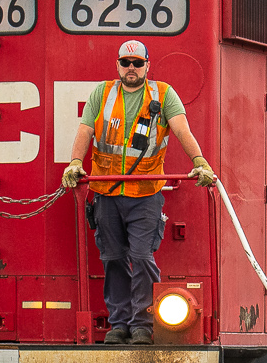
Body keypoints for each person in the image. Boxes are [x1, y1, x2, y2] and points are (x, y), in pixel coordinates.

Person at [62, 40, 216, 343]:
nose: (131, 68)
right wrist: (75, 163)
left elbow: (182, 130)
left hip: (145, 194)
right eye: (125, 63)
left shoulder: (164, 95)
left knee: (142, 256)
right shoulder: (102, 93)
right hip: (106, 192)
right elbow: (85, 130)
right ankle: (119, 324)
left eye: (137, 63)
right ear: (118, 65)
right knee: (113, 258)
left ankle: (143, 325)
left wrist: (200, 162)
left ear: (147, 65)